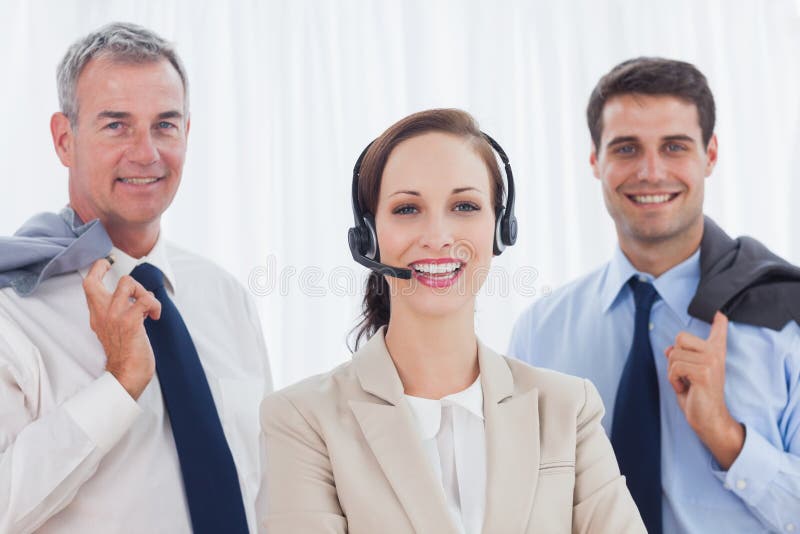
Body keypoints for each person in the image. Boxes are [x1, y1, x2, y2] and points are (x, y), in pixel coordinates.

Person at [259, 108, 645, 533]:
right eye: (407, 209)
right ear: (368, 236)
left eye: (464, 206)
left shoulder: (567, 409)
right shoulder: (303, 420)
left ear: (500, 228)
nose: (439, 235)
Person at [509, 57, 800, 533]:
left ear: (709, 155)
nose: (650, 171)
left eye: (674, 147)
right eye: (626, 148)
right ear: (595, 160)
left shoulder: (787, 321)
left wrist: (727, 438)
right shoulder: (541, 333)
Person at [0, 23, 272, 533]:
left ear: (187, 134)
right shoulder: (12, 311)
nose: (146, 153)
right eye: (117, 125)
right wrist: (120, 383)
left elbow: (264, 490)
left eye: (165, 125)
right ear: (64, 139)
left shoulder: (225, 297)